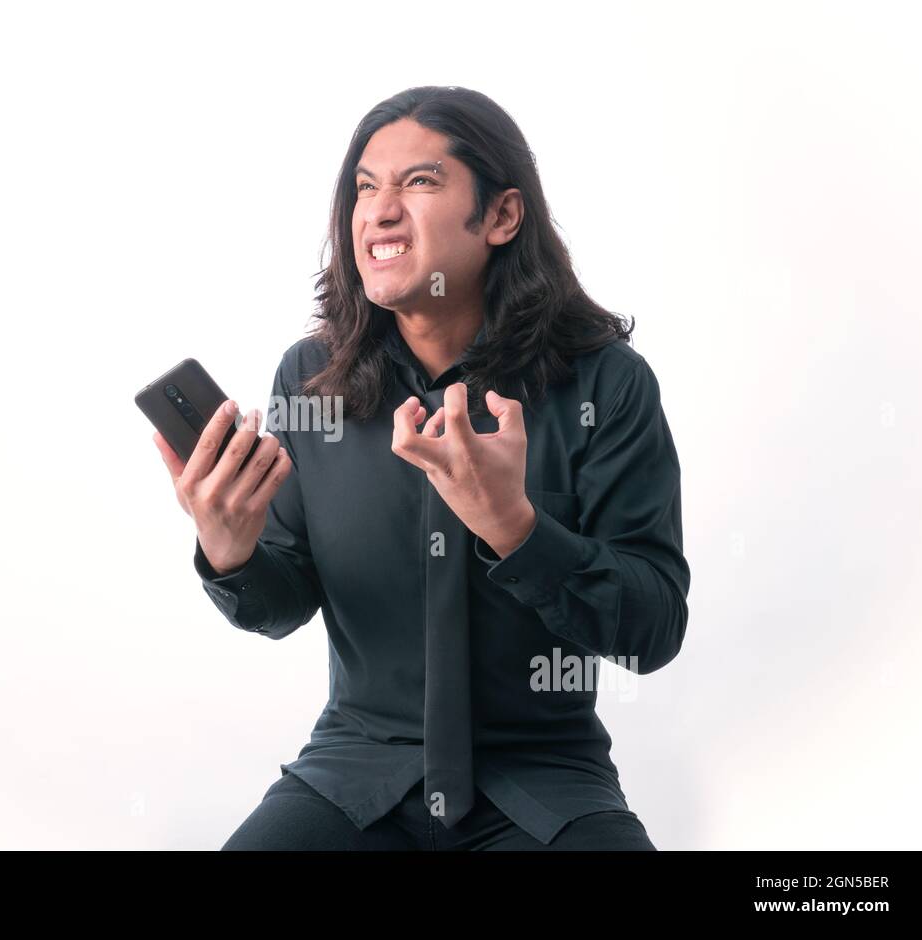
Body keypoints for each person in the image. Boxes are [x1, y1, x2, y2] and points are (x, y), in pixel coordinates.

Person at [151, 86, 689, 850]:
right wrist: (231, 552)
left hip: (543, 781)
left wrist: (517, 528)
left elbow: (654, 629)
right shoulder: (313, 382)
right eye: (365, 188)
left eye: (420, 182)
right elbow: (281, 602)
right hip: (357, 775)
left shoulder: (605, 383)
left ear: (502, 216)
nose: (380, 211)